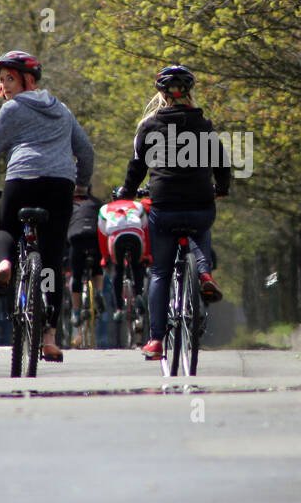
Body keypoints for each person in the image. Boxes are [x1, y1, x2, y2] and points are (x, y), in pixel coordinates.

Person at [0, 50, 94, 362]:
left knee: (6, 228)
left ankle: (5, 265)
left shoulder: (12, 109)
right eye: (1, 80)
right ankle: (49, 336)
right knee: (51, 258)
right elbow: (86, 151)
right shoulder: (61, 109)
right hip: (60, 185)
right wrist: (80, 185)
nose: (5, 85)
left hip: (21, 180)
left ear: (29, 79)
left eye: (10, 78)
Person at [117, 64, 230, 361]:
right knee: (201, 228)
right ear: (189, 92)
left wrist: (127, 192)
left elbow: (137, 167)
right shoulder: (204, 124)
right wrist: (222, 187)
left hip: (164, 206)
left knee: (161, 272)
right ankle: (203, 272)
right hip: (200, 204)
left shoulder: (150, 126)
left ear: (162, 95)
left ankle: (155, 340)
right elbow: (221, 162)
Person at [97, 190, 150, 323]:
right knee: (137, 265)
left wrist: (105, 257)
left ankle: (119, 309)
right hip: (136, 234)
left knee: (118, 269)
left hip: (116, 237)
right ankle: (138, 294)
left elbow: (102, 235)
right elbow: (145, 229)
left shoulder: (104, 208)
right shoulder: (138, 205)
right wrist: (147, 254)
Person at [66, 189, 104, 329]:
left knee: (76, 275)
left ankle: (76, 313)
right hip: (95, 237)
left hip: (77, 238)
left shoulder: (69, 204)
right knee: (97, 267)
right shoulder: (97, 203)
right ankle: (99, 292)